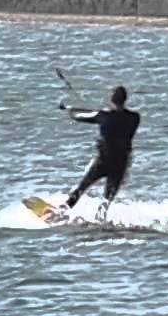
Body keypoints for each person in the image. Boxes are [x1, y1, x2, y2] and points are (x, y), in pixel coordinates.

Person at [58, 85, 140, 221]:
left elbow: (77, 116)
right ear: (125, 99)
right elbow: (112, 116)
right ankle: (100, 220)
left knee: (81, 189)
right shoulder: (134, 118)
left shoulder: (102, 115)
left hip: (103, 162)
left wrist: (69, 109)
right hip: (121, 163)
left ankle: (61, 212)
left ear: (111, 99)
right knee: (107, 199)